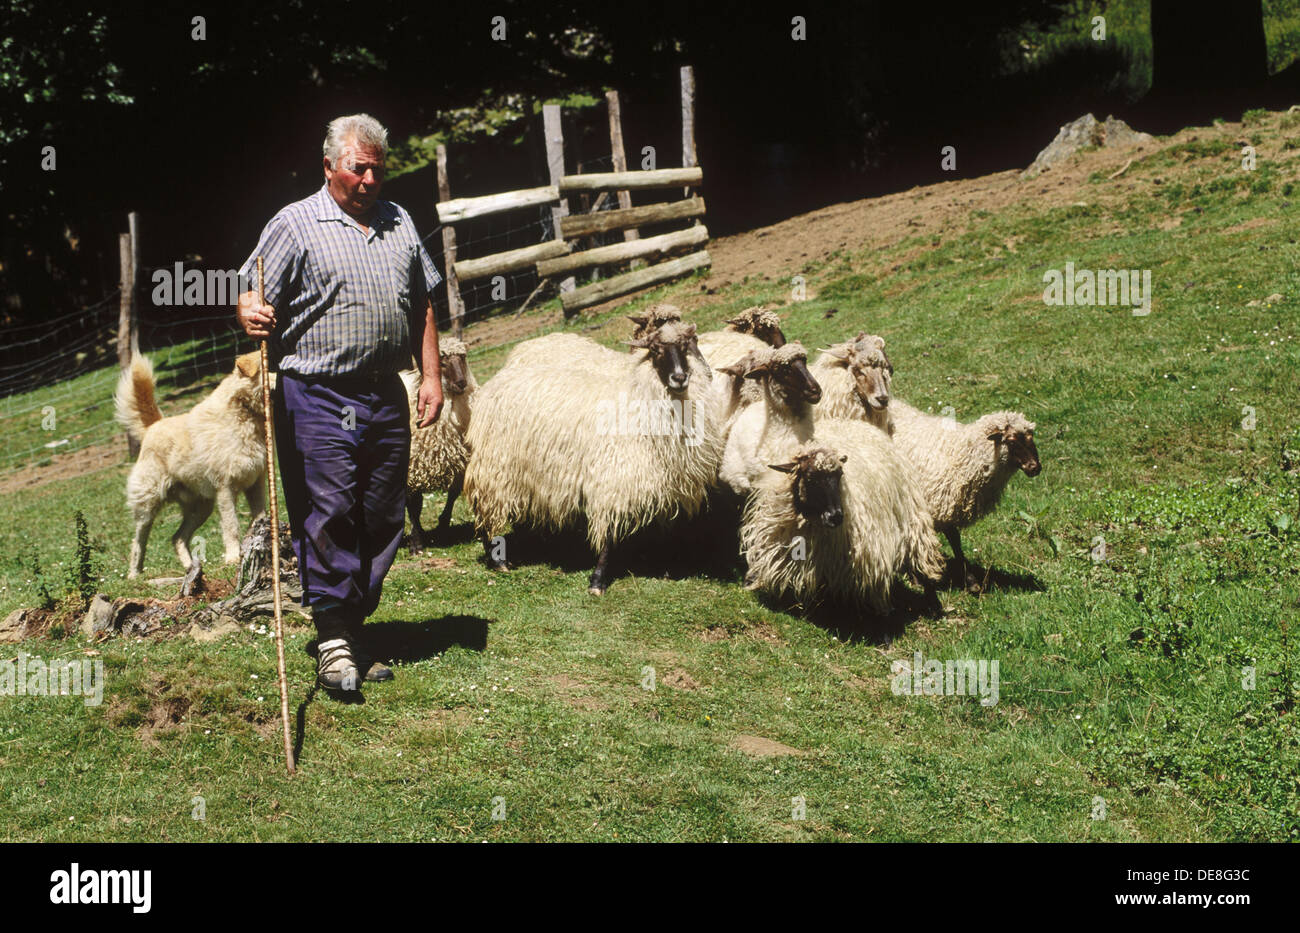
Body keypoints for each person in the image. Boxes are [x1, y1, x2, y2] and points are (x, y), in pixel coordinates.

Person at [236, 113, 444, 693]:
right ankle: (333, 640)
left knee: (381, 515)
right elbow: (252, 289)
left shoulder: (398, 222)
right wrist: (246, 310)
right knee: (326, 511)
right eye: (360, 168)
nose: (371, 180)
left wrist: (431, 375)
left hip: (383, 391)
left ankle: (351, 627)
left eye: (379, 169)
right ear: (330, 167)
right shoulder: (295, 224)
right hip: (315, 394)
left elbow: (422, 302)